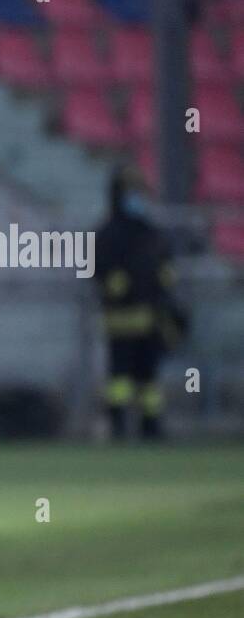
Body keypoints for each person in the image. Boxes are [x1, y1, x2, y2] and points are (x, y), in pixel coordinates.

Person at [93, 164, 186, 440]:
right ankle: (118, 427)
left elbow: (166, 271)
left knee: (148, 379)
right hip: (120, 321)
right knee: (119, 378)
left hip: (148, 318)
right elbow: (100, 273)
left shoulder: (150, 233)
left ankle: (151, 427)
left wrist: (163, 285)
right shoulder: (107, 234)